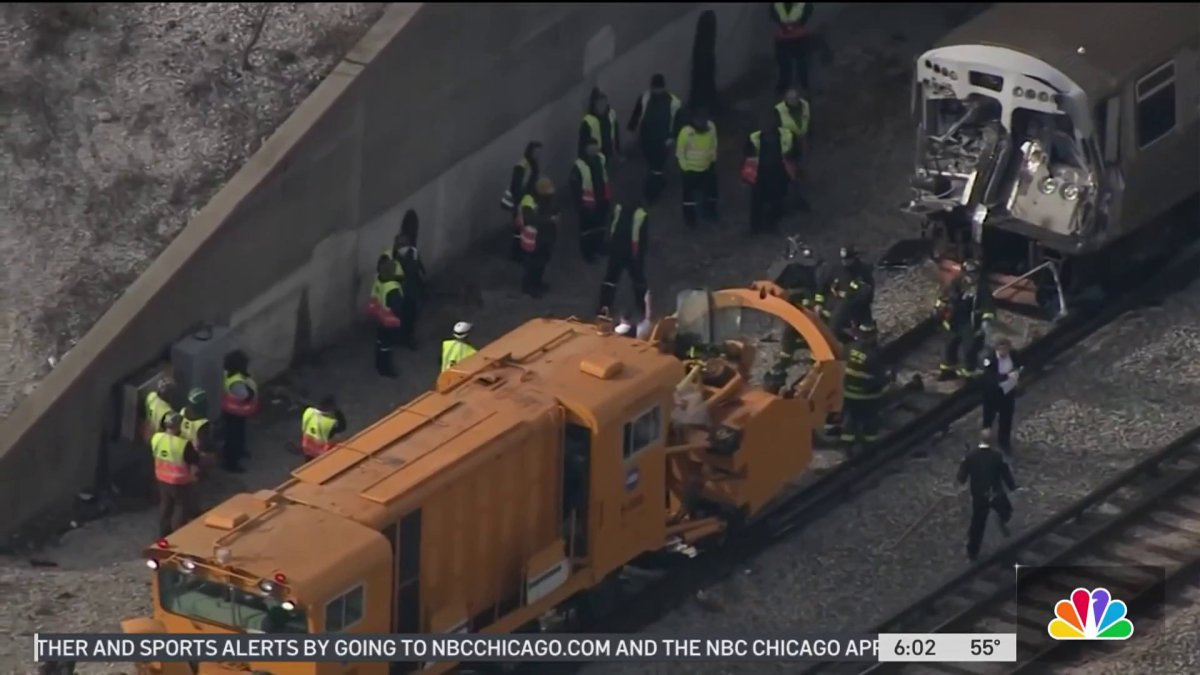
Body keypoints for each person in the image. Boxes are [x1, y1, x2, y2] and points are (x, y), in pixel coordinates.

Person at [958, 434, 1017, 561]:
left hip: (979, 495)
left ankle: (972, 551)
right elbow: (1005, 473)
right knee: (1006, 510)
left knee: (978, 524)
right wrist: (1012, 487)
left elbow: (961, 478)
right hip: (995, 492)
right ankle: (1004, 525)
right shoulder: (996, 456)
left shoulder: (971, 457)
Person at [935, 259, 995, 380]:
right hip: (954, 319)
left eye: (975, 274)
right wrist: (940, 308)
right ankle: (948, 370)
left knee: (969, 348)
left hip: (970, 323)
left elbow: (988, 305)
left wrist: (986, 321)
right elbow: (945, 297)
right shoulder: (957, 282)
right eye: (970, 273)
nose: (972, 276)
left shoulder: (982, 288)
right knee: (950, 346)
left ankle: (969, 373)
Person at [628, 74, 684, 204]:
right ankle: (658, 183)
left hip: (659, 141)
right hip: (650, 139)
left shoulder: (671, 101)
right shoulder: (648, 98)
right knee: (654, 165)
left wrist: (673, 137)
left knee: (656, 167)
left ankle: (651, 193)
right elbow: (637, 114)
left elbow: (679, 122)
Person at [771, 237, 823, 363]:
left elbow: (817, 288)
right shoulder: (790, 270)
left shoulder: (812, 271)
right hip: (792, 302)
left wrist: (816, 303)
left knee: (813, 326)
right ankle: (787, 353)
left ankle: (815, 351)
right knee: (791, 327)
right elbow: (777, 286)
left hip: (808, 301)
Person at [742, 116, 795, 233]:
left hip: (779, 172)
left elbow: (792, 154)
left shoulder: (786, 135)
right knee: (757, 202)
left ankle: (772, 224)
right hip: (760, 173)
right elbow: (748, 156)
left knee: (777, 200)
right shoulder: (754, 137)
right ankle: (755, 228)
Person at [597, 202, 650, 318]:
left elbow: (612, 228)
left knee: (611, 279)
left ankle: (604, 307)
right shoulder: (642, 215)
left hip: (617, 250)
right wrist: (640, 257)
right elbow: (643, 240)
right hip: (632, 253)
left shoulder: (618, 209)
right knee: (638, 280)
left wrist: (608, 246)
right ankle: (642, 306)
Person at [151, 413, 200, 537]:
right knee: (181, 507)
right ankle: (177, 535)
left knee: (165, 505)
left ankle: (163, 534)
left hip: (161, 477)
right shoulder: (183, 444)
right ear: (178, 426)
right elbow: (194, 459)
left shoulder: (156, 438)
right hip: (179, 481)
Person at [840, 321, 886, 450]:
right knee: (870, 421)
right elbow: (879, 379)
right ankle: (869, 446)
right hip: (868, 397)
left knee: (849, 420)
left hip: (848, 393)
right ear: (872, 336)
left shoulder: (848, 347)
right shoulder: (874, 355)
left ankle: (847, 446)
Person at [570, 137, 612, 263]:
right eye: (591, 148)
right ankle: (588, 253)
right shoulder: (578, 166)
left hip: (601, 199)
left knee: (601, 225)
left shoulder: (600, 159)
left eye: (595, 147)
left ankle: (599, 246)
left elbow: (604, 176)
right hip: (587, 203)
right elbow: (575, 187)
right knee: (587, 229)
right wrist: (581, 205)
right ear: (586, 149)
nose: (594, 150)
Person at [676, 108, 719, 228]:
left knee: (710, 193)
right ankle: (690, 221)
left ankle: (709, 214)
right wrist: (685, 168)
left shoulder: (711, 127)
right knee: (689, 198)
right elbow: (680, 152)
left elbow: (714, 144)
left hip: (707, 168)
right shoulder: (686, 132)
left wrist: (712, 161)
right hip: (690, 171)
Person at [517, 178, 560, 297]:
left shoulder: (545, 199)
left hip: (545, 237)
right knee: (533, 264)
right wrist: (549, 219)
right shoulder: (529, 200)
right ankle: (529, 287)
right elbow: (529, 219)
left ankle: (537, 283)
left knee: (542, 262)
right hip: (533, 238)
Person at [823, 245, 875, 342]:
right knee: (834, 326)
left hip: (859, 308)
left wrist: (847, 294)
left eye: (847, 259)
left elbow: (865, 291)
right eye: (843, 260)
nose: (844, 262)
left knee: (866, 331)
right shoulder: (837, 269)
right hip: (841, 305)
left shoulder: (862, 270)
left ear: (853, 258)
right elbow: (826, 284)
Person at [502, 141, 542, 261]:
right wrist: (519, 207)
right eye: (536, 152)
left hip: (528, 202)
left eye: (539, 152)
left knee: (522, 228)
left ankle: (519, 252)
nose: (538, 155)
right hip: (522, 202)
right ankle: (516, 253)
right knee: (519, 228)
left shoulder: (532, 164)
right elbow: (517, 187)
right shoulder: (523, 166)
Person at [981, 337, 1022, 454]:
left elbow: (1019, 364)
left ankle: (1004, 442)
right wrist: (1003, 377)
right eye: (1001, 350)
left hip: (1008, 393)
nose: (1004, 352)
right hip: (992, 394)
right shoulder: (990, 359)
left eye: (1006, 350)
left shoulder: (1014, 355)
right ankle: (985, 440)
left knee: (1006, 418)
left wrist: (1016, 373)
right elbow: (987, 377)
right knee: (988, 417)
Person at [220, 350, 258, 473]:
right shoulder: (236, 382)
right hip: (235, 413)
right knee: (233, 438)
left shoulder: (233, 375)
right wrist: (251, 392)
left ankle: (240, 451)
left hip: (237, 412)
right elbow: (245, 396)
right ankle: (231, 463)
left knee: (239, 434)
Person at [368, 257, 405, 379]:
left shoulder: (378, 279)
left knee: (380, 342)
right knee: (387, 345)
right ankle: (385, 368)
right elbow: (396, 306)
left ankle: (378, 364)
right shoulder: (392, 288)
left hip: (379, 314)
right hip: (389, 318)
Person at [777, 87, 811, 210]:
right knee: (791, 175)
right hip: (786, 147)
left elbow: (806, 126)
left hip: (798, 143)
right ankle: (793, 201)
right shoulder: (779, 111)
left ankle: (795, 198)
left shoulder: (805, 106)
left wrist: (805, 148)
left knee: (799, 172)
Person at [770, 2, 816, 95]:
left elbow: (773, 14)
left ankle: (799, 85)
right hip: (792, 37)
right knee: (791, 64)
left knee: (796, 64)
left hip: (792, 37)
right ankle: (800, 85)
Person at [394, 225, 427, 350]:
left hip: (407, 290)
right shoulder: (411, 253)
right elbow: (420, 269)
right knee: (408, 316)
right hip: (409, 290)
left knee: (407, 316)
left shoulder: (403, 255)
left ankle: (405, 338)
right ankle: (407, 339)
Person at [300, 395, 347, 462]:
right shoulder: (328, 423)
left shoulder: (309, 412)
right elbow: (342, 427)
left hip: (308, 449)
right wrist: (337, 411)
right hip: (321, 454)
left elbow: (304, 428)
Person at [579, 88, 620, 161]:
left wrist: (617, 150)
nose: (602, 106)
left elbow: (616, 132)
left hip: (609, 153)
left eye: (604, 103)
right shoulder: (588, 121)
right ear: (594, 105)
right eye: (599, 104)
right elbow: (582, 145)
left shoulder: (611, 114)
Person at [179, 387, 215, 457]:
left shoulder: (183, 411)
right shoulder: (203, 423)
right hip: (194, 454)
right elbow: (203, 444)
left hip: (181, 447)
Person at [142, 377, 176, 443]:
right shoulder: (168, 412)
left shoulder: (151, 396)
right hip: (159, 439)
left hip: (149, 434)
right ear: (169, 394)